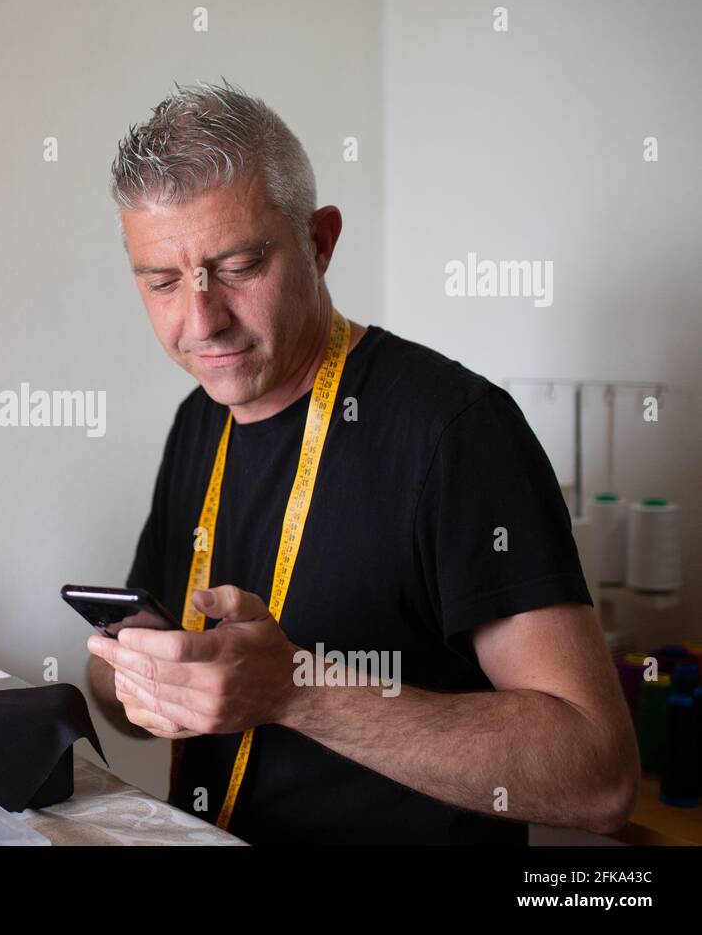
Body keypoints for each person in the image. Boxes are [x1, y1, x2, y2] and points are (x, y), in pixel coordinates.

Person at [85, 81, 638, 845]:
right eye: (163, 281)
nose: (201, 320)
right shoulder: (198, 420)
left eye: (239, 266)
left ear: (320, 241)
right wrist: (133, 673)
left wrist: (296, 692)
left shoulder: (456, 432)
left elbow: (599, 773)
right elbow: (135, 689)